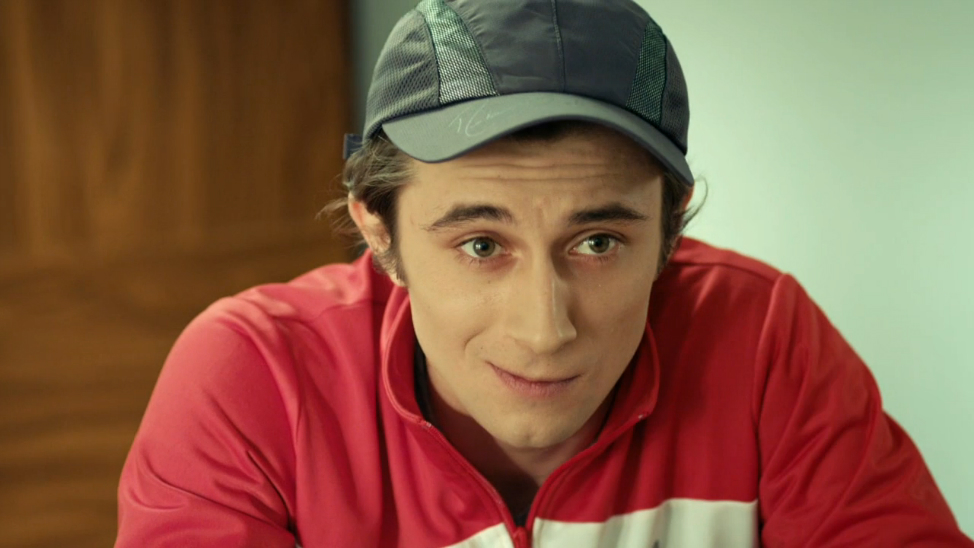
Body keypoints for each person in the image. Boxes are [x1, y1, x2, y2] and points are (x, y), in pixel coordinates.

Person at [115, 0, 973, 546]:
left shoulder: (762, 338)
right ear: (379, 230)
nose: (545, 329)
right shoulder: (254, 374)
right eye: (480, 245)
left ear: (670, 228)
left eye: (597, 241)